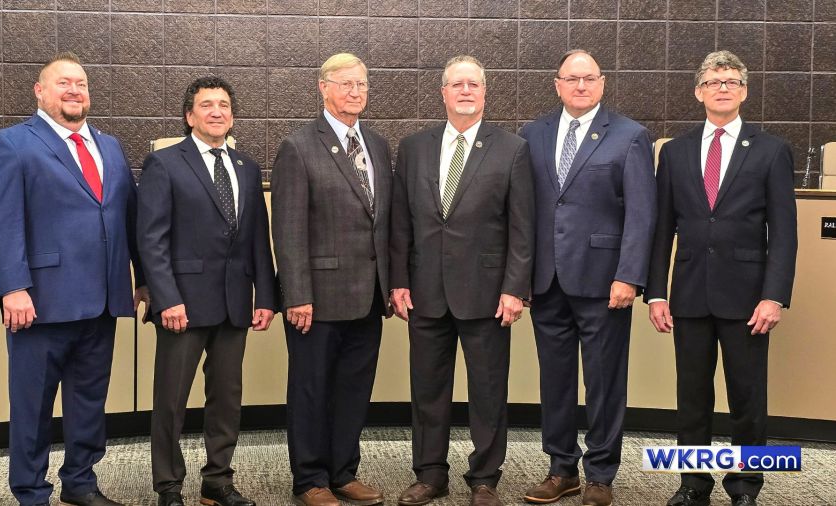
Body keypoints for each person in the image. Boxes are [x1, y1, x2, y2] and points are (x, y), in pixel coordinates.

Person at [0, 51, 148, 506]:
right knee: (32, 406)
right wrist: (13, 287)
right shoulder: (11, 143)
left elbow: (130, 219)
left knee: (89, 400)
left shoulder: (110, 146)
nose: (74, 91)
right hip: (41, 302)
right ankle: (31, 491)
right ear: (39, 90)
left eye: (81, 84)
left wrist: (144, 278)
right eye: (63, 83)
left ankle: (81, 481)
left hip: (104, 300)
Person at [646, 50, 797, 506]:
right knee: (691, 398)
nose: (723, 88)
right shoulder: (674, 152)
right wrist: (655, 292)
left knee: (747, 397)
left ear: (745, 91)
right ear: (699, 92)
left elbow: (784, 233)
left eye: (732, 81)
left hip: (748, 298)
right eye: (714, 81)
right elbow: (662, 229)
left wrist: (774, 296)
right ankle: (693, 484)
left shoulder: (771, 150)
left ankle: (745, 485)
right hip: (689, 295)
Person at [390, 55, 535, 506]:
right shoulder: (414, 147)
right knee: (427, 390)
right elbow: (400, 223)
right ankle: (430, 474)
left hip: (488, 294)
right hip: (425, 291)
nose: (466, 91)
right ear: (444, 93)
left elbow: (522, 228)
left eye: (474, 84)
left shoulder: (511, 148)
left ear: (485, 92)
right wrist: (398, 281)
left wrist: (514, 288)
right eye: (457, 85)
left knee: (488, 390)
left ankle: (485, 478)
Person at [518, 49, 657, 506]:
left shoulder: (629, 135)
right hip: (547, 281)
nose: (581, 86)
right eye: (572, 79)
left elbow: (641, 214)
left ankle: (600, 473)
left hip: (604, 282)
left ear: (602, 83)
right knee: (554, 380)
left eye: (589, 78)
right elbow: (525, 211)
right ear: (556, 84)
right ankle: (561, 469)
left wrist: (629, 276)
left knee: (603, 381)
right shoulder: (531, 134)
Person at [137, 76, 276, 506]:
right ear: (189, 115)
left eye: (224, 105)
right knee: (171, 401)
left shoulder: (247, 167)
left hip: (235, 303)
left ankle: (218, 480)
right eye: (207, 105)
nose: (217, 112)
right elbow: (151, 239)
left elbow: (257, 237)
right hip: (183, 304)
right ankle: (169, 487)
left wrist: (267, 297)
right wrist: (166, 298)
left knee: (227, 399)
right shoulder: (165, 163)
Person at [271, 53, 392, 506]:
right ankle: (310, 479)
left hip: (369, 296)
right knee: (310, 389)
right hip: (316, 300)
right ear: (322, 88)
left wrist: (392, 283)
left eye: (362, 85)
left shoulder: (378, 145)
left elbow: (383, 223)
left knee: (353, 390)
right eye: (346, 84)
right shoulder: (299, 146)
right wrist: (296, 294)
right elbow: (287, 228)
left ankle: (343, 471)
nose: (355, 93)